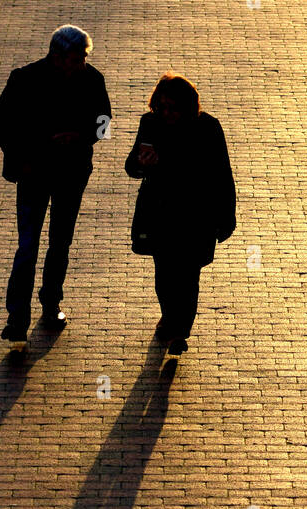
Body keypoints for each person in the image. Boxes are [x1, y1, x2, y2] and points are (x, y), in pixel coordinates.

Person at [0, 25, 112, 346]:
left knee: (60, 241)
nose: (82, 63)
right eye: (77, 58)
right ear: (57, 56)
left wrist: (80, 136)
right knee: (28, 245)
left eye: (84, 57)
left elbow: (104, 124)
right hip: (34, 172)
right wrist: (21, 159)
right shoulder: (25, 79)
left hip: (72, 173)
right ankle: (17, 316)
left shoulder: (92, 80)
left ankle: (50, 302)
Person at [125, 74, 236, 355]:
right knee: (163, 273)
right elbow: (131, 166)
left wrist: (226, 217)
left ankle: (179, 332)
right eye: (161, 107)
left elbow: (221, 173)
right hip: (159, 212)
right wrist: (141, 162)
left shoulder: (207, 127)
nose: (166, 113)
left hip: (196, 214)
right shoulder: (149, 124)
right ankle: (170, 318)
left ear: (187, 106)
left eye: (172, 107)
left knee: (187, 275)